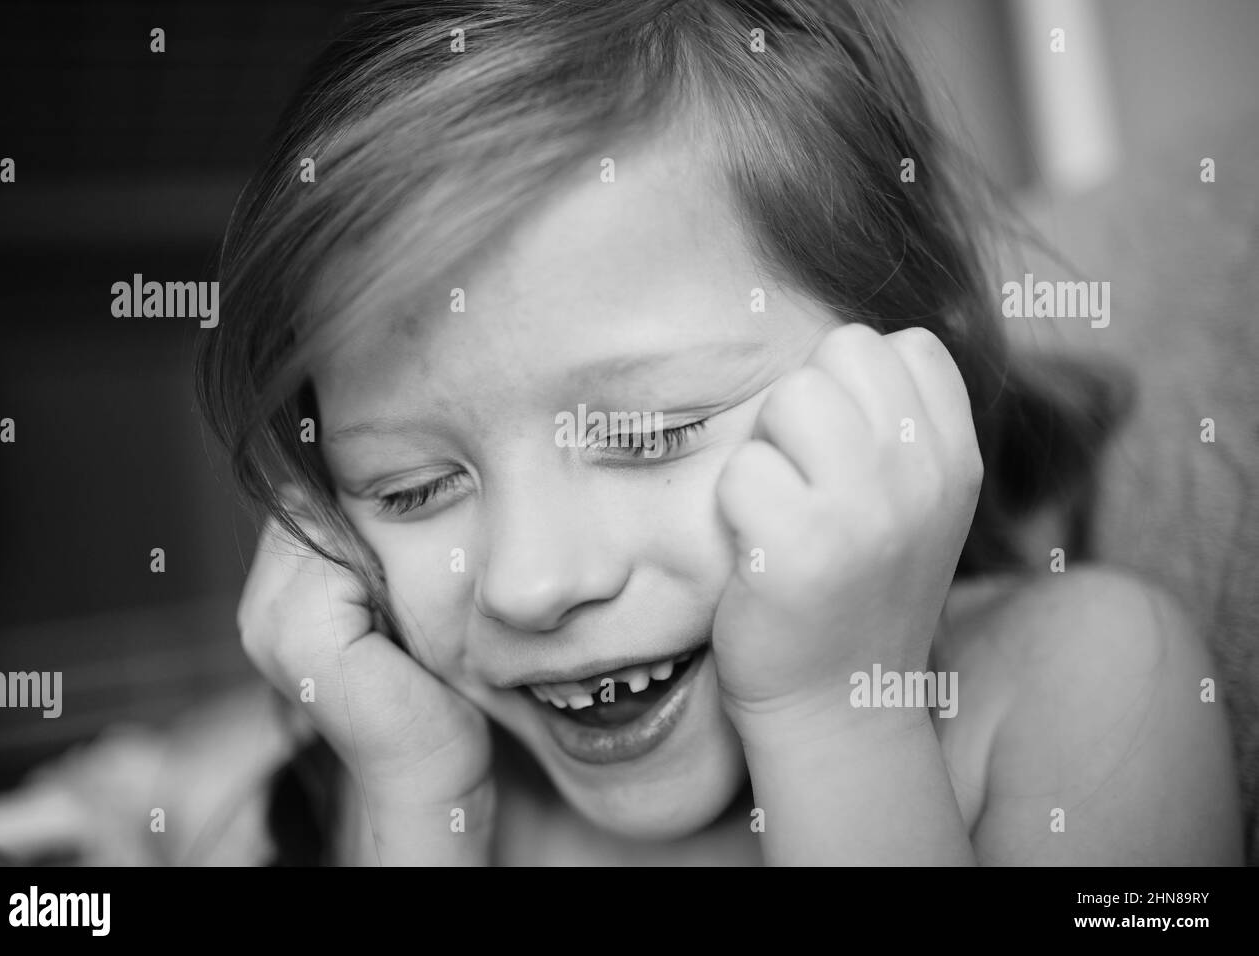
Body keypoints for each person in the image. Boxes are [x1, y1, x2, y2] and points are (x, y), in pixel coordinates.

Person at [194, 0, 1243, 865]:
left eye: (649, 434)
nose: (528, 583)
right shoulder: (416, 765)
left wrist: (836, 715)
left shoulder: (1090, 684)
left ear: (906, 372)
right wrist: (418, 802)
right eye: (412, 488)